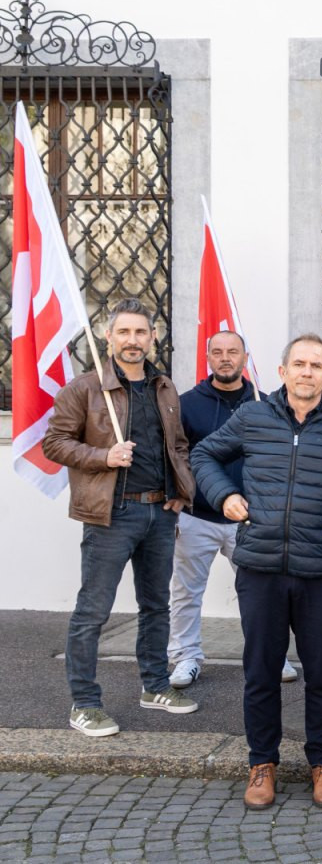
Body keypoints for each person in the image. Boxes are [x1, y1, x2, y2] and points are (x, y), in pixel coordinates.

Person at [191, 334, 322, 811]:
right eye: (299, 363)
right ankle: (262, 764)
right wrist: (224, 497)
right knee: (260, 672)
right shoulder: (252, 418)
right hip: (259, 569)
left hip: (319, 573)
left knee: (321, 674)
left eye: (317, 365)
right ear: (282, 371)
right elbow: (203, 456)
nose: (307, 372)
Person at [42, 298, 198, 737]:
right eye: (124, 332)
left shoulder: (163, 387)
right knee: (93, 611)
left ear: (152, 337)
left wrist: (179, 491)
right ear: (109, 337)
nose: (133, 341)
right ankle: (85, 704)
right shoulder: (86, 389)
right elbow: (54, 443)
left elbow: (179, 446)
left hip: (159, 512)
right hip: (112, 512)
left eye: (141, 332)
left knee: (156, 605)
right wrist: (103, 456)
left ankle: (155, 686)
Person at [168, 331, 296, 689]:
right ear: (208, 357)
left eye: (233, 352)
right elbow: (175, 456)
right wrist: (176, 502)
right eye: (218, 352)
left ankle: (272, 654)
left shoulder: (268, 403)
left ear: (245, 357)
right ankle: (185, 657)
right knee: (186, 592)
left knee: (263, 593)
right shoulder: (187, 404)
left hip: (251, 519)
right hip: (197, 516)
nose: (225, 358)